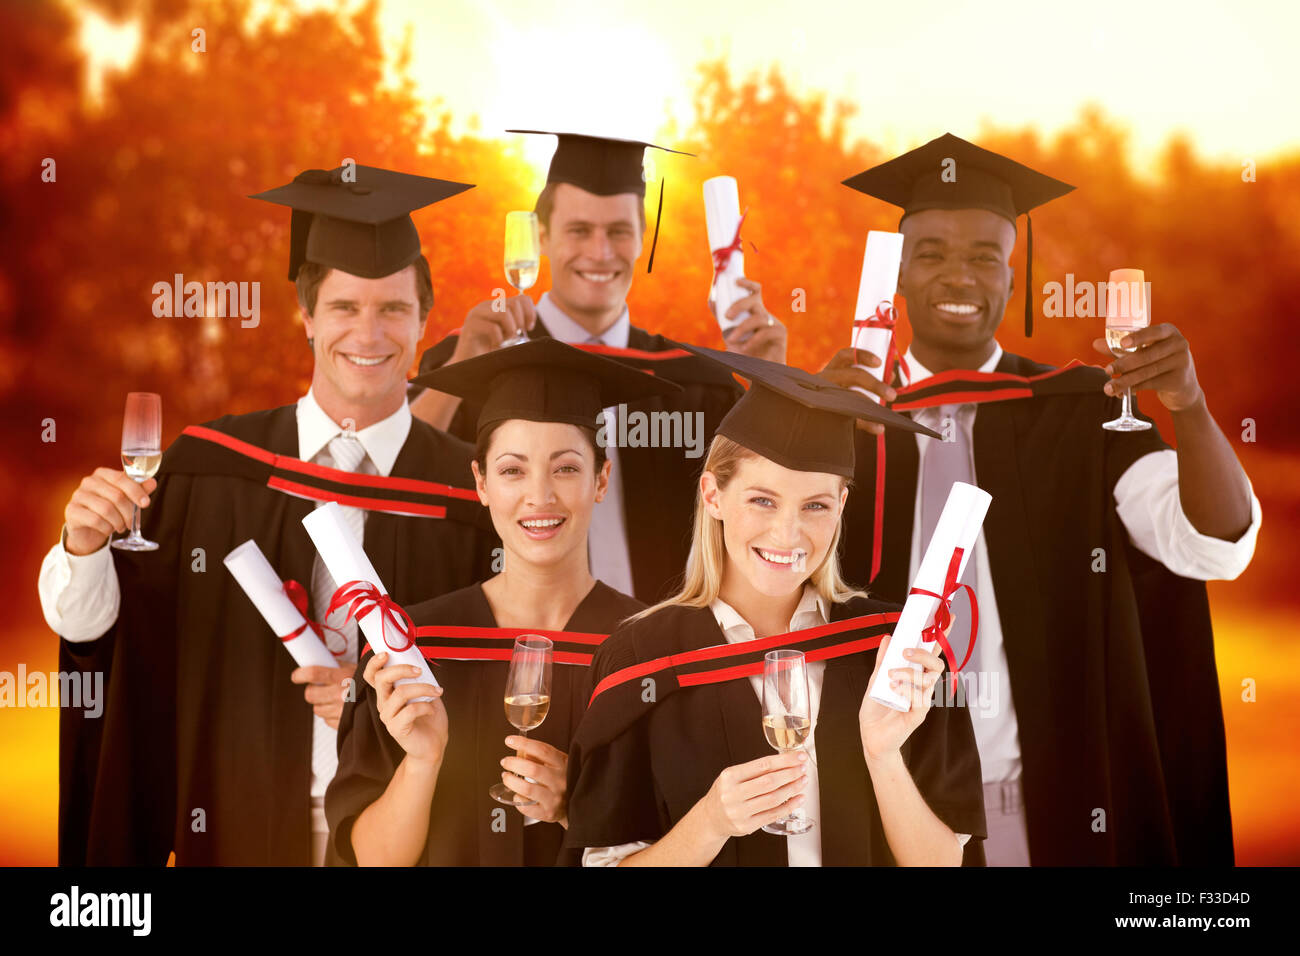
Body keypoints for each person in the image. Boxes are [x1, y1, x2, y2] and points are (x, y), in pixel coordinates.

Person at [38, 164, 499, 866]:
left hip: (415, 842)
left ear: (423, 322)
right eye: (344, 308)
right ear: (308, 318)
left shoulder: (476, 491)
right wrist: (81, 549)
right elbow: (111, 639)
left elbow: (513, 673)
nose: (368, 333)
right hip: (238, 829)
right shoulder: (215, 465)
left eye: (393, 310)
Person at [825, 133, 1261, 865]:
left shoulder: (1079, 413)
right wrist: (803, 431)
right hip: (879, 815)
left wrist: (1188, 404)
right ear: (898, 274)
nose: (957, 276)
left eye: (984, 256)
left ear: (1012, 275)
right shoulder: (845, 418)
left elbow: (1211, 543)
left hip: (1047, 817)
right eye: (930, 253)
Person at [564, 345, 987, 866]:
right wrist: (711, 822)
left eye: (815, 506)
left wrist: (882, 754)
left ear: (842, 507)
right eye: (762, 500)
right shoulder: (640, 659)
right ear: (713, 496)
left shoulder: (893, 647)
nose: (788, 534)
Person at [327, 338, 677, 865]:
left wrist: (576, 809)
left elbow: (689, 844)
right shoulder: (411, 648)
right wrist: (423, 760)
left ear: (601, 479)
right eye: (513, 470)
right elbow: (371, 861)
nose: (540, 496)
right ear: (481, 483)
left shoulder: (653, 649)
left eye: (566, 468)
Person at [410, 130, 787, 604]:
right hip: (514, 655)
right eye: (579, 230)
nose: (600, 252)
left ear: (642, 239)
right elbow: (405, 484)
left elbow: (762, 514)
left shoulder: (693, 381)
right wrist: (463, 366)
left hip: (661, 652)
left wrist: (773, 384)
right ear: (542, 235)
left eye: (618, 232)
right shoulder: (474, 364)